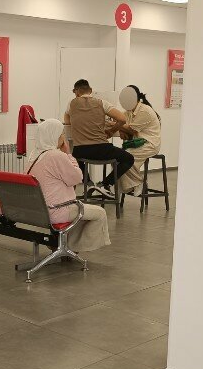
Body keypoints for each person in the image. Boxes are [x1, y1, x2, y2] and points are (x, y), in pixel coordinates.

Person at [25, 118, 110, 252]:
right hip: (56, 211)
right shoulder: (56, 156)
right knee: (100, 213)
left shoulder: (33, 155)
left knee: (83, 211)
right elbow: (77, 178)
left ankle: (62, 245)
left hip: (39, 210)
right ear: (54, 136)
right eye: (62, 133)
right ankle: (72, 248)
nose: (64, 137)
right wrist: (68, 154)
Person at [63, 79, 133, 196]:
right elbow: (122, 119)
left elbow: (67, 121)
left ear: (76, 91)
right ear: (90, 90)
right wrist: (111, 131)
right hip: (101, 150)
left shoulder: (72, 103)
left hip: (81, 150)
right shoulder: (102, 103)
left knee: (74, 157)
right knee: (129, 159)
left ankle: (88, 184)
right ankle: (105, 184)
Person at [108, 84, 162, 195]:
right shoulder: (128, 112)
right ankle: (127, 187)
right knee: (116, 158)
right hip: (136, 144)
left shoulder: (145, 111)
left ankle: (138, 183)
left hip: (149, 144)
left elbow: (131, 129)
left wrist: (116, 125)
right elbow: (124, 128)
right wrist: (120, 127)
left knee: (126, 156)